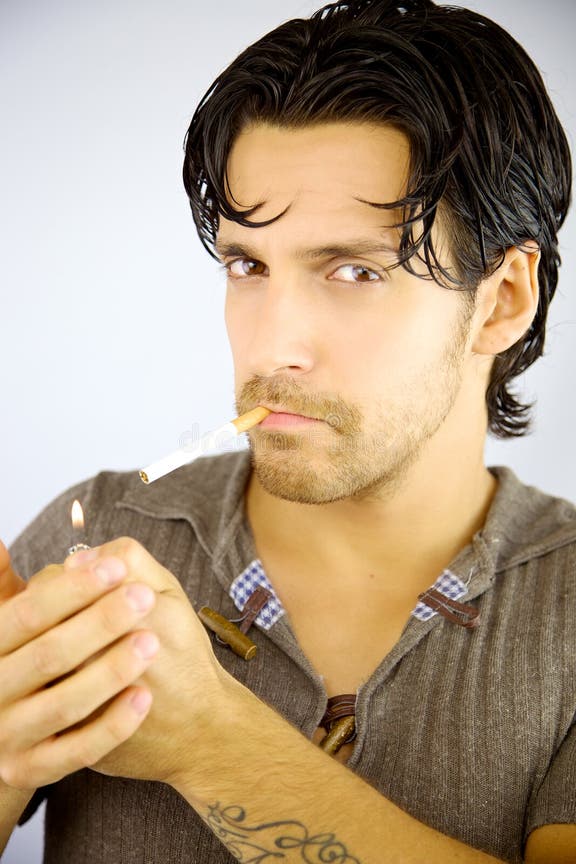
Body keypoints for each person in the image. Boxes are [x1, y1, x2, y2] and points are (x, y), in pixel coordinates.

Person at [0, 0, 573, 861]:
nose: (272, 347)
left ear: (502, 301)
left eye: (353, 271)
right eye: (248, 265)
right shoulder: (98, 543)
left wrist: (212, 742)